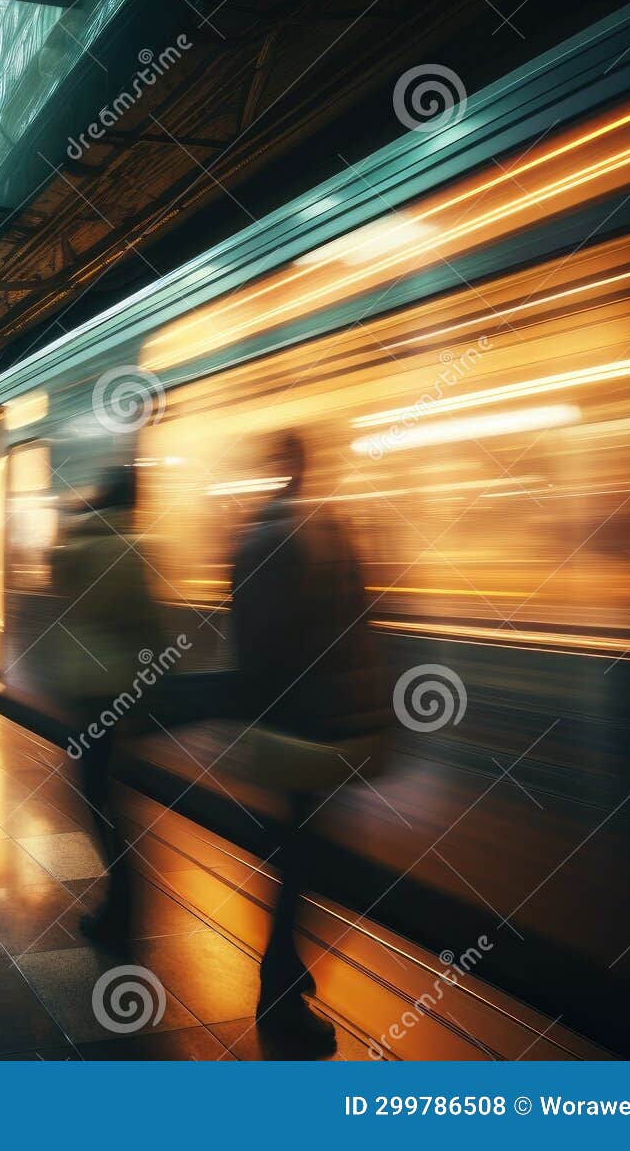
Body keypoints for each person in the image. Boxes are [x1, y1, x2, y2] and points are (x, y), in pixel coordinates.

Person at [222, 429, 386, 1055]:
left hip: (296, 727)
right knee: (300, 863)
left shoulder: (264, 534)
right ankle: (280, 989)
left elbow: (256, 639)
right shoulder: (310, 534)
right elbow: (344, 630)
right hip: (310, 728)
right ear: (302, 468)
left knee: (298, 858)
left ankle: (285, 972)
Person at [50, 467, 163, 947]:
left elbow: (60, 589)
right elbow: (148, 624)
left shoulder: (75, 543)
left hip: (82, 684)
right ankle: (127, 904)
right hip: (120, 688)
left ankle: (121, 903)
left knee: (96, 793)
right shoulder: (132, 547)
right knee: (113, 796)